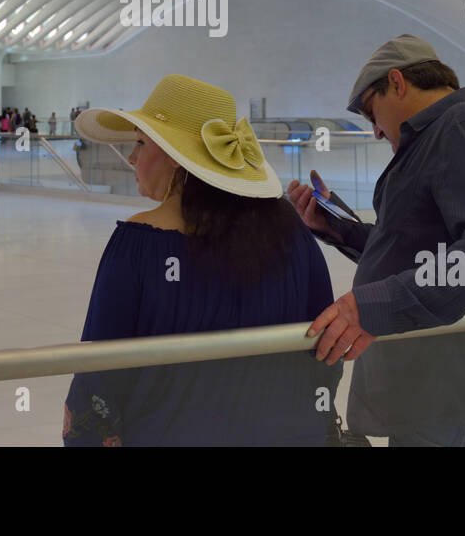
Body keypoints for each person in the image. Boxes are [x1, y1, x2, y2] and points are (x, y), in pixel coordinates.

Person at [290, 35, 465, 447]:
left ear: (397, 82)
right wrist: (337, 228)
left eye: (371, 113)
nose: (376, 131)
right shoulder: (441, 137)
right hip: (437, 402)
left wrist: (374, 306)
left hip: (464, 405)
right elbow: (421, 252)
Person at [64, 74, 338, 446]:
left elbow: (99, 373)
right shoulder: (291, 233)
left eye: (141, 143)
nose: (132, 158)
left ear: (175, 157)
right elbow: (326, 346)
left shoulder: (137, 244)